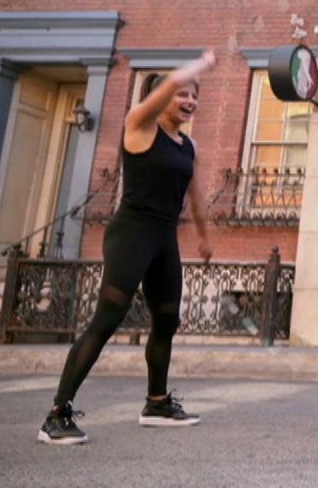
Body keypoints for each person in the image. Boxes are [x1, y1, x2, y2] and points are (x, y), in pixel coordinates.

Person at [38, 51, 217, 445]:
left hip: (164, 238)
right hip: (131, 234)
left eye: (194, 96)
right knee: (108, 318)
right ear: (158, 97)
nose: (189, 101)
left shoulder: (188, 146)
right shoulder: (138, 126)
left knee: (167, 321)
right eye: (182, 94)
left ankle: (156, 402)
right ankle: (57, 413)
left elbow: (195, 192)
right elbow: (168, 84)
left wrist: (204, 234)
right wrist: (200, 64)